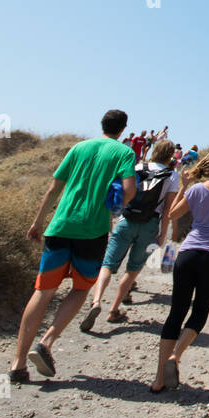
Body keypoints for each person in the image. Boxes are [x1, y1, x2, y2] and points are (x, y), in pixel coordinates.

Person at [9, 109, 136, 383]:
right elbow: (129, 190)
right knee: (80, 288)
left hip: (59, 226)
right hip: (92, 232)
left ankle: (17, 365)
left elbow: (53, 188)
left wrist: (37, 222)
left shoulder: (79, 147)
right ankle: (47, 342)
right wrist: (114, 209)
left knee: (43, 291)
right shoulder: (123, 153)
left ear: (101, 124)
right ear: (123, 129)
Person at [151, 147, 209, 393]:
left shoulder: (196, 189)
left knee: (176, 312)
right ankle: (176, 355)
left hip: (187, 254)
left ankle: (158, 379)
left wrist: (184, 185)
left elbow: (172, 214)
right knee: (200, 312)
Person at [80, 140, 181, 332]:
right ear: (170, 155)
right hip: (150, 224)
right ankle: (114, 309)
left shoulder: (137, 166)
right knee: (133, 268)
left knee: (108, 264)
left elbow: (118, 190)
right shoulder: (172, 175)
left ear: (154, 150)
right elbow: (168, 209)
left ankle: (96, 301)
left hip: (126, 220)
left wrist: (111, 216)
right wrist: (162, 234)